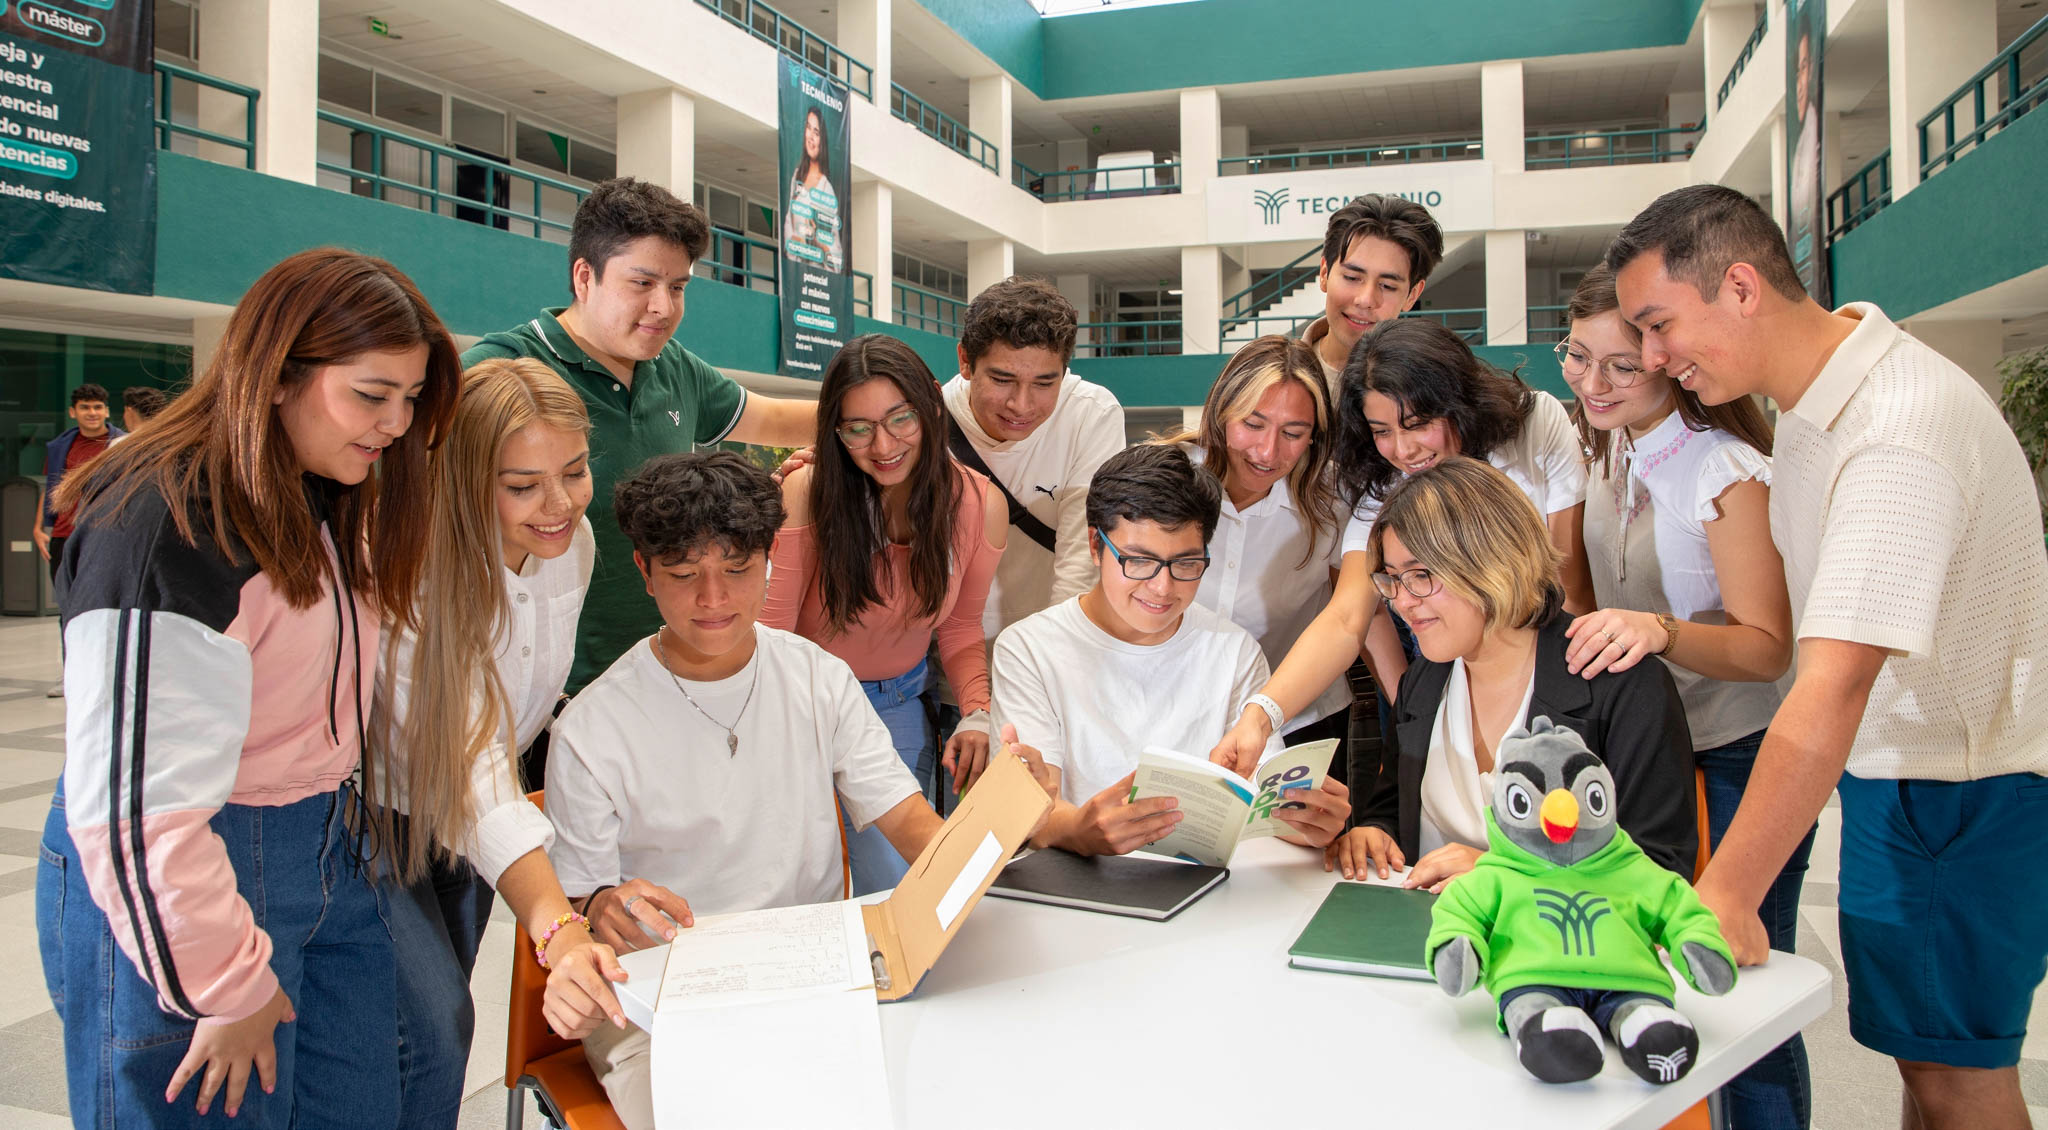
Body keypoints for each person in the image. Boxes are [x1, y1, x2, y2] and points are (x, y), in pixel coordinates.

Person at [1611, 183, 2048, 1130]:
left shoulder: (1895, 429)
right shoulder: (1821, 399)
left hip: (1961, 793)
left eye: (1657, 325)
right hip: (1911, 788)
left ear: (1738, 286)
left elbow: (1833, 682)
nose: (1650, 359)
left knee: (1959, 1078)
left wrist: (1727, 891)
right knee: (1925, 1066)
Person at [34, 248, 460, 1127]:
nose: (393, 423)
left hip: (324, 840)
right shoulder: (165, 517)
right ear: (275, 375)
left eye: (411, 399)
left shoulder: (326, 488)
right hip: (194, 864)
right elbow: (134, 810)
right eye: (371, 394)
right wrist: (222, 986)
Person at [545, 451, 1039, 1130]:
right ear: (645, 574)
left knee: (936, 1093)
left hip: (810, 982)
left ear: (771, 559)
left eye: (738, 571)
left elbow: (914, 827)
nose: (713, 600)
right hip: (662, 1005)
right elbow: (574, 904)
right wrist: (601, 903)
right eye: (685, 576)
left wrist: (1000, 813)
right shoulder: (593, 726)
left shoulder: (817, 679)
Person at [1557, 262, 1809, 1128]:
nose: (1594, 383)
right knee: (1658, 986)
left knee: (1742, 1004)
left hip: (1734, 758)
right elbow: (1589, 608)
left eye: (1620, 364)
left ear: (1667, 356)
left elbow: (1768, 648)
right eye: (1577, 358)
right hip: (1638, 760)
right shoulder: (1607, 452)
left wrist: (1659, 629)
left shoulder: (1727, 468)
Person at [370, 357, 626, 1125]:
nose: (559, 505)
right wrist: (556, 925)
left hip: (479, 827)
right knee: (424, 1033)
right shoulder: (418, 571)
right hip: (386, 821)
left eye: (575, 472)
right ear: (463, 480)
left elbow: (533, 703)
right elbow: (469, 764)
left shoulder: (569, 543)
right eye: (522, 486)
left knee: (443, 1010)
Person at [463, 177, 816, 711]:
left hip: (666, 680)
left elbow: (776, 417)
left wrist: (890, 415)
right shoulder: (502, 370)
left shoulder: (672, 366)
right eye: (642, 283)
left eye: (677, 288)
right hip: (542, 696)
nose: (663, 307)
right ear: (585, 277)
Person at [1207, 316, 1593, 778]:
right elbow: (1349, 615)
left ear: (1458, 401)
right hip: (1444, 673)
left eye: (1418, 423)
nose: (1403, 449)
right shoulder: (1381, 483)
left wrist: (1574, 696)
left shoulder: (1535, 424)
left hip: (1547, 664)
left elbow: (1569, 584)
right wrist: (1263, 714)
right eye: (1382, 430)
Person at [1326, 457, 1698, 889]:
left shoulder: (1623, 685)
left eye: (1421, 575)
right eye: (1392, 579)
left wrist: (1506, 876)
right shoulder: (1424, 680)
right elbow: (1391, 809)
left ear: (1494, 561)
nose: (1402, 601)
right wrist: (1374, 834)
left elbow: (1660, 871)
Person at [992, 443, 1351, 857]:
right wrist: (1077, 829)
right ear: (1095, 546)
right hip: (1078, 888)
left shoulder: (1233, 651)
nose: (1162, 588)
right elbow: (1038, 808)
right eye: (1139, 562)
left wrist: (1307, 821)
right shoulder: (1029, 649)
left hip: (1206, 886)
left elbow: (1261, 802)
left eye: (1186, 564)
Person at [763, 335, 1007, 893]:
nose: (883, 444)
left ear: (929, 410)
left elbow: (960, 626)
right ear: (835, 431)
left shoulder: (978, 504)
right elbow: (770, 633)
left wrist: (976, 712)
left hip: (895, 708)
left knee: (898, 887)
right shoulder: (806, 491)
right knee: (796, 885)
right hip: (800, 706)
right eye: (858, 428)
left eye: (901, 419)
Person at [1157, 336, 1355, 778]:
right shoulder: (1165, 477)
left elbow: (1354, 615)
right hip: (1171, 713)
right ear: (1221, 413)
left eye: (1293, 433)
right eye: (1253, 423)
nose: (1268, 452)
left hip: (1301, 719)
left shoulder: (1335, 501)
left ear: (1315, 436)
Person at [942, 276, 1126, 640]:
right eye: (1002, 379)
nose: (1021, 405)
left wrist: (1046, 663)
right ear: (966, 360)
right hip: (949, 655)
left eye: (1044, 384)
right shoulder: (932, 420)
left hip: (1051, 647)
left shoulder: (1091, 413)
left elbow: (1081, 558)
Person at [1299, 193, 1446, 399]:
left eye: (1387, 286)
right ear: (1324, 274)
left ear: (1412, 295)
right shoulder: (1265, 377)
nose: (1366, 300)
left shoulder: (1433, 393)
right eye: (1351, 277)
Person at [32, 382, 123, 697]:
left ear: (106, 411)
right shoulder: (60, 447)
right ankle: (71, 673)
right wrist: (39, 525)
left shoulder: (122, 444)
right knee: (67, 605)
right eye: (85, 407)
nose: (92, 413)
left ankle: (105, 674)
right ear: (74, 412)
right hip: (64, 536)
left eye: (98, 407)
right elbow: (51, 486)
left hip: (104, 535)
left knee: (106, 606)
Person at [784, 105, 842, 273]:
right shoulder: (797, 176)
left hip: (816, 280)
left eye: (816, 133)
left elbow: (836, 258)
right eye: (808, 128)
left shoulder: (827, 190)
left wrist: (820, 244)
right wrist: (795, 242)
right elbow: (789, 221)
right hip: (793, 276)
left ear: (822, 140)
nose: (810, 137)